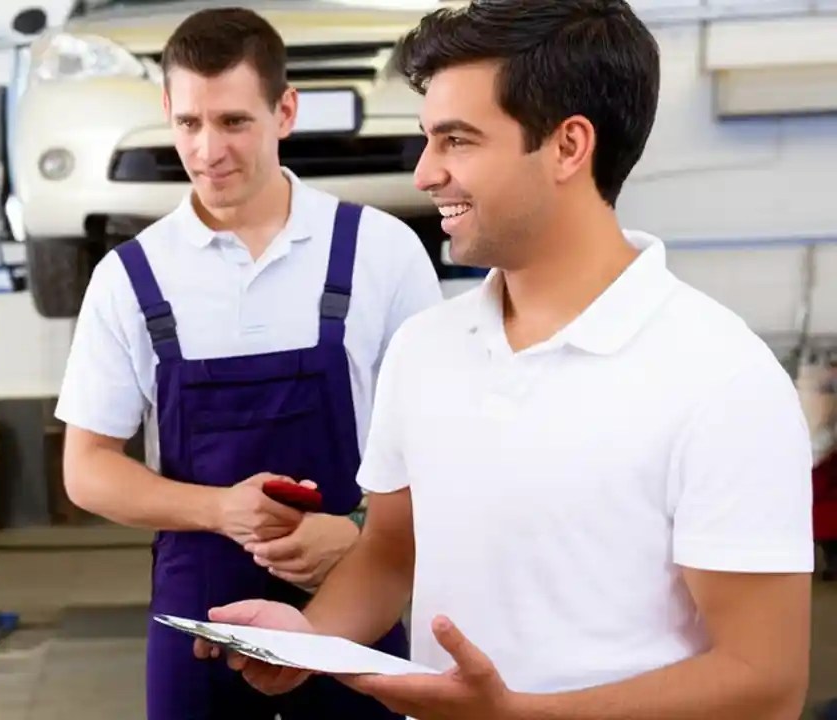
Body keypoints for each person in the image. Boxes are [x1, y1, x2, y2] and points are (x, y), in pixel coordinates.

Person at [200, 1, 815, 718]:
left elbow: (765, 679)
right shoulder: (425, 350)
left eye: (457, 140)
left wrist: (520, 715)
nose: (425, 173)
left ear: (567, 146)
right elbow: (392, 551)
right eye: (428, 139)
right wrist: (310, 637)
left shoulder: (721, 379)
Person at [54, 7, 442, 719]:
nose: (209, 150)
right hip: (199, 625)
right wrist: (221, 511)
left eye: (234, 122)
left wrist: (359, 530)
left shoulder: (380, 252)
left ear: (284, 111)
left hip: (350, 608)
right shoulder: (131, 277)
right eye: (189, 123)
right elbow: (86, 469)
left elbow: (439, 448)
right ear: (167, 113)